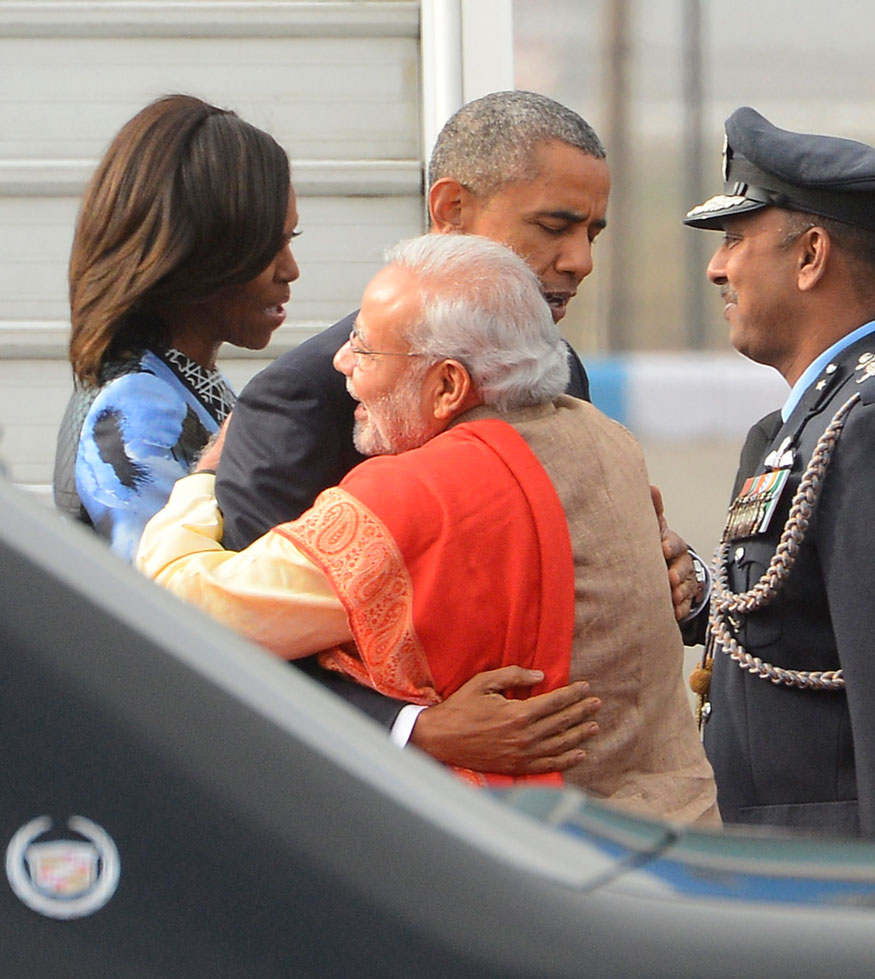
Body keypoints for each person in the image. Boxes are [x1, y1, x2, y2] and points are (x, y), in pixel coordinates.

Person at [138, 233, 718, 821]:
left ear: (447, 386)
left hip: (532, 869)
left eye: (364, 349)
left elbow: (184, 607)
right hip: (678, 842)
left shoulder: (414, 495)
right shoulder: (607, 441)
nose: (341, 363)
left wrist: (203, 481)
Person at [211, 89, 705, 774]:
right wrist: (415, 728)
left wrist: (671, 578)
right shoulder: (304, 399)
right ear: (451, 210)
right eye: (554, 225)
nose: (579, 261)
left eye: (591, 233)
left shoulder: (564, 380)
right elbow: (237, 635)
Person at [684, 106, 875, 835]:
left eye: (734, 239)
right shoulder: (798, 425)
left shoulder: (860, 425)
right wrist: (703, 597)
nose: (715, 267)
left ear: (810, 255)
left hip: (834, 892)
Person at [53, 94, 299, 561]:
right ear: (198, 252)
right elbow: (174, 600)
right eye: (269, 245)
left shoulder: (179, 381)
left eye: (291, 240)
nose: (290, 269)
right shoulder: (136, 408)